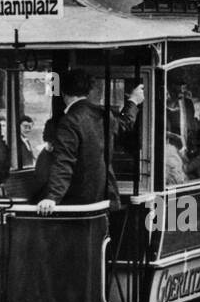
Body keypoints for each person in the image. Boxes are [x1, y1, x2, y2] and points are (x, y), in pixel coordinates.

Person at [37, 69, 143, 214]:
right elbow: (125, 123)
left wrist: (52, 196)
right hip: (104, 195)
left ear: (63, 93)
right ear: (88, 92)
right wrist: (133, 101)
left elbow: (64, 161)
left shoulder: (69, 121)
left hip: (78, 201)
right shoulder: (103, 114)